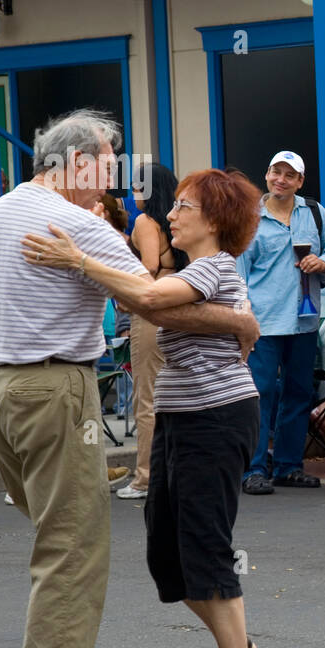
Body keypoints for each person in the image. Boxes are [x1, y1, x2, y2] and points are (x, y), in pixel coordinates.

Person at [0, 109, 259, 648]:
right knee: (72, 549)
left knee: (60, 540)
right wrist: (240, 323)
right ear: (76, 163)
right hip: (55, 392)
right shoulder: (77, 226)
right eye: (107, 165)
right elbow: (156, 305)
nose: (113, 183)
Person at [238, 150, 325, 495]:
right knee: (259, 395)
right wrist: (243, 316)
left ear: (300, 181)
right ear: (267, 175)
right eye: (275, 172)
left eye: (288, 174)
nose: (280, 179)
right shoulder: (250, 217)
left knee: (299, 394)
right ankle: (252, 468)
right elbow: (239, 272)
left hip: (306, 320)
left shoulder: (314, 212)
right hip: (263, 323)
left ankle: (287, 466)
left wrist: (323, 261)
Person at [116, 162, 185, 500]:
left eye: (136, 187)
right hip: (180, 305)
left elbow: (148, 267)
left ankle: (145, 477)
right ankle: (175, 471)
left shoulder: (145, 221)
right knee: (176, 395)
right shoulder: (176, 218)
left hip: (152, 308)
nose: (132, 194)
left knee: (148, 397)